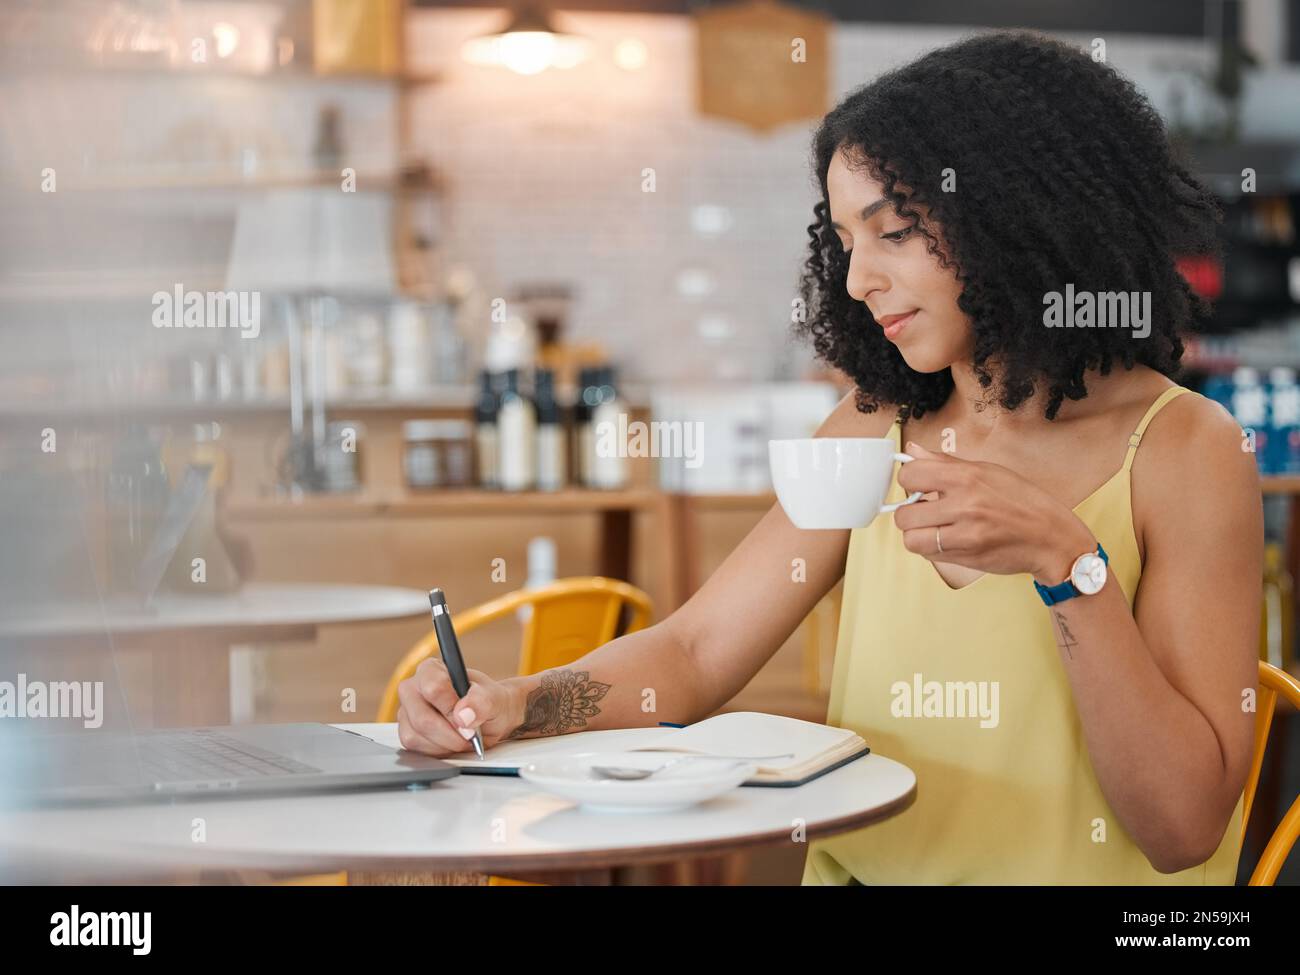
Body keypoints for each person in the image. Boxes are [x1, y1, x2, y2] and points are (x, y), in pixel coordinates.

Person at [396, 30, 1262, 884]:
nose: (856, 281)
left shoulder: (1186, 449)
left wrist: (1069, 562)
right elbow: (695, 653)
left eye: (893, 233)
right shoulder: (873, 424)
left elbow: (1181, 828)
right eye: (845, 241)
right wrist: (520, 701)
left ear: (1013, 215)